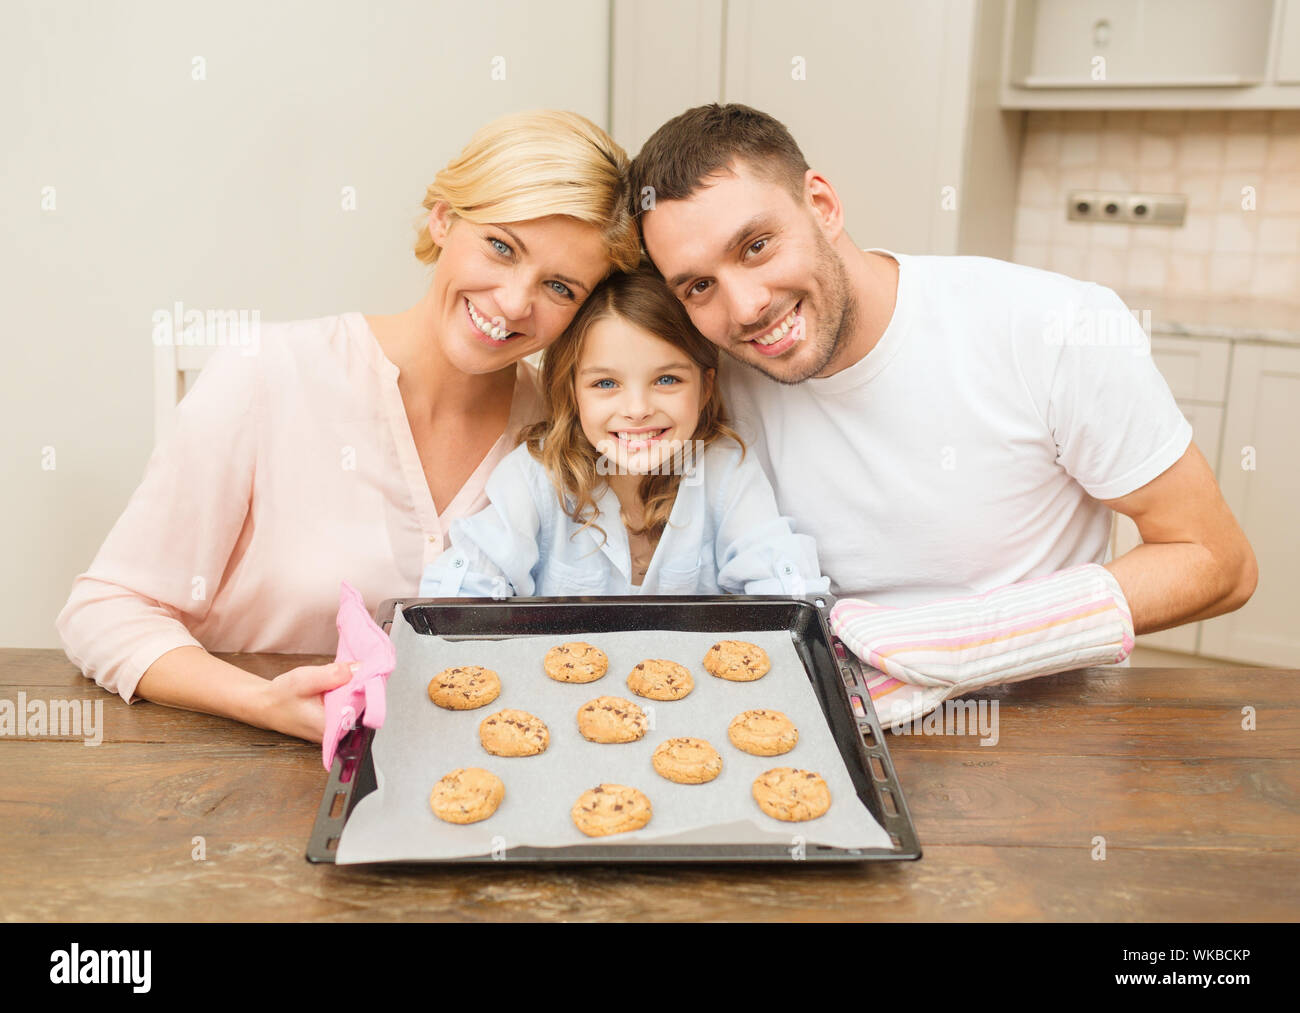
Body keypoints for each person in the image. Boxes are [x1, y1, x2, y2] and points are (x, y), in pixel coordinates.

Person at [627, 103, 1257, 723]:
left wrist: (966, 643)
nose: (745, 307)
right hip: (821, 722)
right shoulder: (701, 379)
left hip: (1039, 725)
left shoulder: (1054, 327)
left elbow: (1218, 561)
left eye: (757, 246)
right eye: (698, 286)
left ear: (821, 206)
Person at [57, 109, 642, 743]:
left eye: (559, 286)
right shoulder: (267, 373)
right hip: (242, 775)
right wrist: (264, 704)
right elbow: (105, 611)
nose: (513, 302)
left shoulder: (566, 430)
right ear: (443, 219)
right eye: (501, 247)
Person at [419, 265, 827, 598]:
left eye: (667, 380)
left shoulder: (723, 470)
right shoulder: (536, 475)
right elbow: (465, 585)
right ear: (572, 390)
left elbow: (783, 585)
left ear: (705, 388)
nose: (637, 410)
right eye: (606, 384)